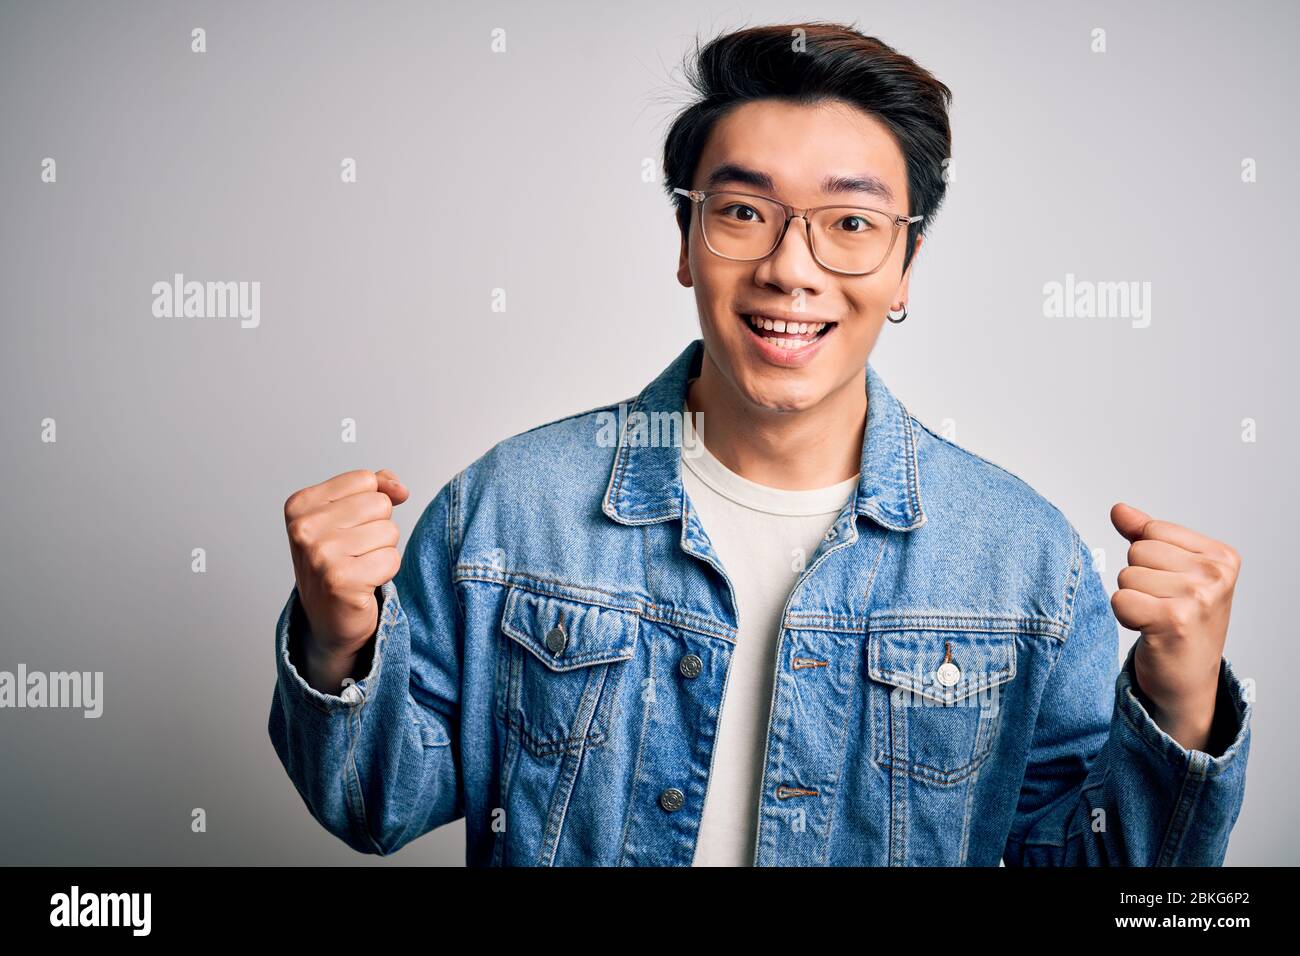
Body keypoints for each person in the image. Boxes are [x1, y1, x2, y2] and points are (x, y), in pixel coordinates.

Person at [269, 21, 1250, 866]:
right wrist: (337, 636)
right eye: (743, 211)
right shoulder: (512, 506)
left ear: (905, 264)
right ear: (686, 240)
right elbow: (375, 804)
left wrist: (1181, 709)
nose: (791, 267)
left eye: (850, 223)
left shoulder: (1022, 559)